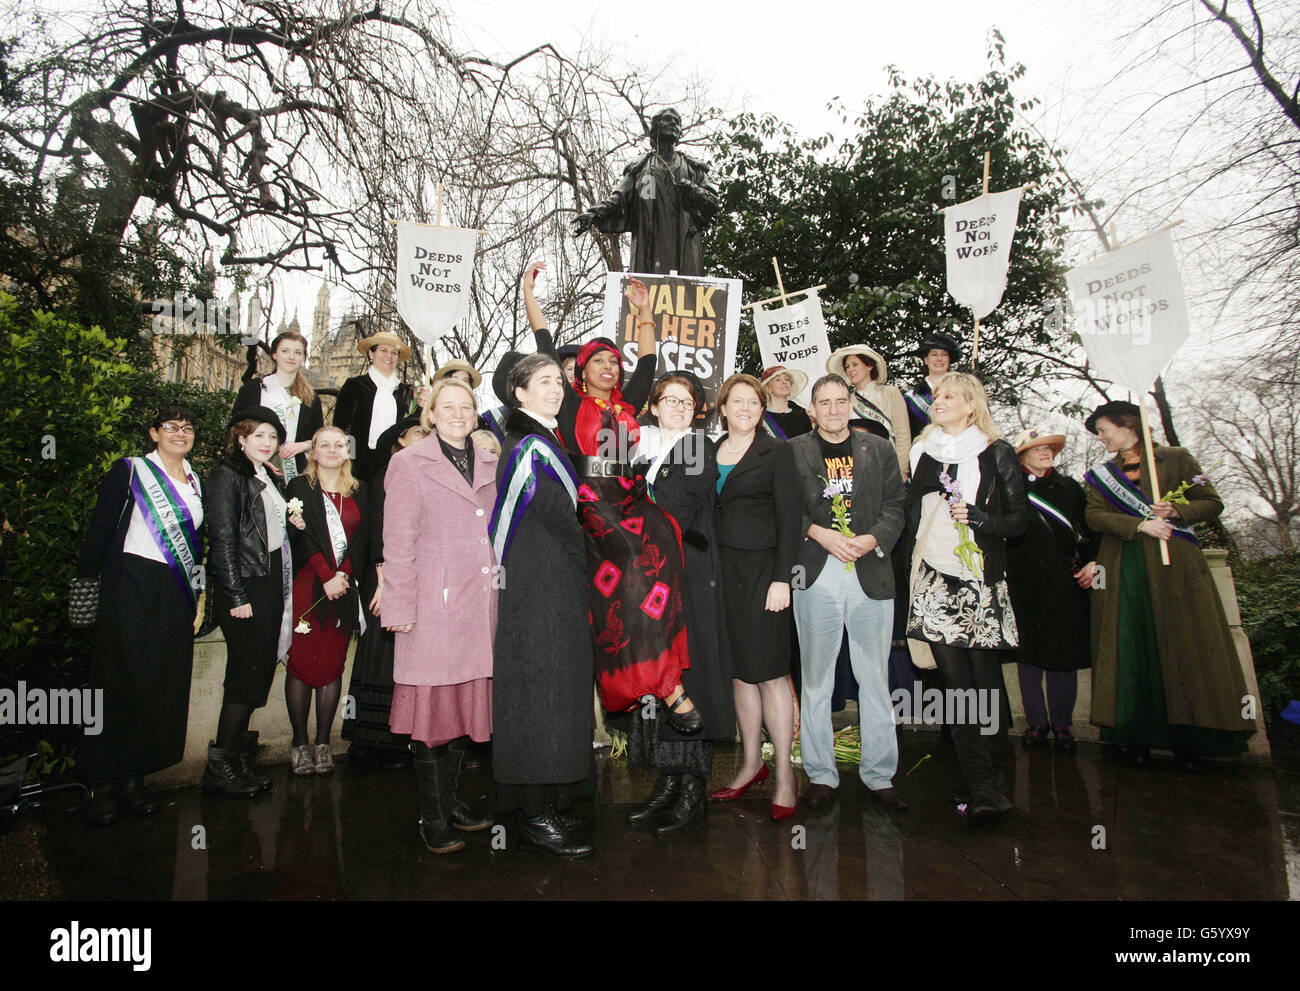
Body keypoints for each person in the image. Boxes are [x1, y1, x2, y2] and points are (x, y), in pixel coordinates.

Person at [521, 262, 700, 731]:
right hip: (592, 503)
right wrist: (530, 297)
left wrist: (643, 312)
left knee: (667, 543)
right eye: (597, 360)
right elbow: (543, 346)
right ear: (579, 372)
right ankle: (664, 685)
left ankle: (664, 672)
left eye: (612, 361)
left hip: (633, 496)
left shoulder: (629, 403)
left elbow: (648, 363)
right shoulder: (570, 405)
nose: (608, 366)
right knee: (633, 570)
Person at [1082, 401, 1253, 769]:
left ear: (1128, 426)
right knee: (1132, 646)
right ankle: (1136, 737)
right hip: (1125, 567)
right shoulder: (1100, 474)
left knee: (1183, 644)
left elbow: (1211, 502)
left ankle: (1189, 740)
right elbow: (1094, 517)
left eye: (1104, 429)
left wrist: (1176, 512)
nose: (1101, 437)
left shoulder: (1175, 459)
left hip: (1176, 566)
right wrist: (1140, 525)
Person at [903, 373, 1026, 826]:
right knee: (957, 689)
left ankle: (991, 780)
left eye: (949, 395)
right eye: (937, 396)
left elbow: (1019, 521)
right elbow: (910, 510)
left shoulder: (996, 453)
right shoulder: (922, 451)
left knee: (986, 685)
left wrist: (978, 518)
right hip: (935, 579)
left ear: (971, 406)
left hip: (980, 580)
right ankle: (981, 785)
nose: (939, 401)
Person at [382, 379, 497, 854]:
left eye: (465, 406)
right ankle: (432, 818)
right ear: (430, 413)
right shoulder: (407, 464)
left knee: (462, 712)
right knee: (431, 717)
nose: (457, 413)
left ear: (475, 413)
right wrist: (399, 607)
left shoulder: (491, 461)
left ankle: (450, 803)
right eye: (447, 407)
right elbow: (398, 541)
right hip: (432, 605)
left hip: (479, 606)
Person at [76, 407, 205, 826]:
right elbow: (99, 528)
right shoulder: (130, 471)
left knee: (157, 681)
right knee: (117, 679)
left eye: (187, 428)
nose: (179, 433)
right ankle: (100, 784)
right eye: (171, 427)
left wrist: (200, 592)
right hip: (128, 582)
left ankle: (134, 779)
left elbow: (199, 544)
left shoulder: (196, 480)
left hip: (174, 590)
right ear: (154, 433)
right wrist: (85, 584)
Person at [489, 353, 596, 858]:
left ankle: (551, 801)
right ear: (519, 393)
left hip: (555, 587)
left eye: (559, 380)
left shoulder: (549, 439)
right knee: (539, 696)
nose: (557, 388)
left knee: (557, 693)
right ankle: (534, 815)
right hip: (538, 590)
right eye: (544, 382)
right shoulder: (527, 446)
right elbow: (562, 520)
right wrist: (600, 556)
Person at [619, 373, 735, 835]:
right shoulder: (635, 444)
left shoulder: (698, 448)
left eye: (689, 402)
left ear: (698, 410)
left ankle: (692, 792)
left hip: (688, 579)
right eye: (671, 400)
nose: (680, 407)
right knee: (659, 678)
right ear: (654, 404)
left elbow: (674, 508)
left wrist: (627, 493)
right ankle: (666, 785)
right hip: (645, 580)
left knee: (691, 679)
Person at [792, 374, 908, 811]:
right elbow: (783, 508)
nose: (834, 409)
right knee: (816, 678)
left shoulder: (878, 449)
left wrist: (874, 538)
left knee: (875, 679)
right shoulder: (793, 451)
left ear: (851, 406)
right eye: (825, 403)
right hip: (816, 571)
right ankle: (821, 774)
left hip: (869, 570)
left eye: (841, 401)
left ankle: (880, 776)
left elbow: (897, 504)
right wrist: (819, 533)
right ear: (812, 411)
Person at [710, 373, 802, 819]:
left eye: (753, 402)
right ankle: (750, 765)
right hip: (721, 576)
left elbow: (791, 520)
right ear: (722, 407)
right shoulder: (706, 452)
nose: (745, 408)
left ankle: (784, 773)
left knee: (769, 673)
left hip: (765, 576)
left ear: (762, 410)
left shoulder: (777, 452)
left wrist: (783, 579)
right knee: (739, 674)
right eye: (737, 401)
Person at [204, 406, 307, 796]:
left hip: (270, 583)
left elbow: (273, 539)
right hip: (245, 587)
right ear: (241, 438)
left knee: (258, 671)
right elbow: (224, 537)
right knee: (245, 676)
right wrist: (235, 594)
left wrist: (294, 528)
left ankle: (238, 761)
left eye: (273, 436)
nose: (267, 442)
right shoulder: (226, 475)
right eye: (259, 435)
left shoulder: (270, 477)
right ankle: (220, 769)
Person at [340, 415, 427, 768]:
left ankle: (400, 740)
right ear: (400, 441)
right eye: (418, 432)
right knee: (381, 655)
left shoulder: (425, 471)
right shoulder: (391, 472)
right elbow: (381, 527)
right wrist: (383, 575)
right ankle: (374, 743)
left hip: (412, 575)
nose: (425, 437)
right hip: (385, 576)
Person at [1004, 429, 1099, 750]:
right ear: (1022, 457)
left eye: (1049, 448)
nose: (1046, 453)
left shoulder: (1070, 488)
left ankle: (1062, 725)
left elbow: (1089, 530)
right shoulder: (1009, 487)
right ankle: (1036, 724)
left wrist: (1093, 562)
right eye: (1037, 449)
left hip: (1064, 580)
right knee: (1028, 655)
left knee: (1064, 655)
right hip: (1023, 581)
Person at [283, 427, 369, 776]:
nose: (332, 450)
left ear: (346, 452)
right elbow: (300, 537)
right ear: (313, 453)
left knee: (333, 665)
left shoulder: (359, 490)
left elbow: (363, 540)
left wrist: (343, 577)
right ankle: (299, 743)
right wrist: (326, 575)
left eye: (339, 445)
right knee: (302, 664)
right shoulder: (300, 488)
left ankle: (323, 743)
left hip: (344, 586)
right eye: (324, 445)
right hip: (311, 584)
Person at [573, 107, 719, 276]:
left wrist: (692, 189)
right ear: (655, 129)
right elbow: (619, 197)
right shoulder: (640, 167)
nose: (673, 123)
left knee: (688, 297)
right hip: (649, 246)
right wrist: (593, 213)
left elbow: (713, 202)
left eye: (677, 122)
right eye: (667, 119)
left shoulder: (693, 168)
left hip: (684, 243)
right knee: (644, 297)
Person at [233, 330, 324, 481]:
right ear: (274, 355)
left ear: (303, 358)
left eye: (298, 352)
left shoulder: (311, 398)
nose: (291, 357)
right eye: (285, 351)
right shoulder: (254, 389)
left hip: (295, 472)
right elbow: (235, 429)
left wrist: (302, 446)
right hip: (253, 467)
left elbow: (319, 438)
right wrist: (257, 457)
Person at [332, 330, 418, 484]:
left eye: (394, 352)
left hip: (396, 465)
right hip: (358, 465)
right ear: (371, 354)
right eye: (383, 350)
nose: (389, 356)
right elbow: (341, 428)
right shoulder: (355, 386)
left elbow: (413, 428)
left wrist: (422, 405)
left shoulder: (407, 392)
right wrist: (348, 462)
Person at [826, 344, 911, 480]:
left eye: (855, 364)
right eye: (847, 366)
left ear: (869, 366)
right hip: (857, 467)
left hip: (888, 462)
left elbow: (902, 434)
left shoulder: (891, 393)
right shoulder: (846, 401)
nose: (850, 370)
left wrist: (902, 469)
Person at [902, 332, 961, 441]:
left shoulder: (962, 393)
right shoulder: (911, 398)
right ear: (926, 360)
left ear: (949, 360)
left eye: (944, 354)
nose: (939, 359)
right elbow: (904, 434)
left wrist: (977, 388)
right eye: (934, 354)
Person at [760, 365, 812, 439]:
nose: (784, 382)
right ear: (767, 389)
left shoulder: (802, 418)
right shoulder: (760, 419)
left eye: (787, 379)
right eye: (778, 380)